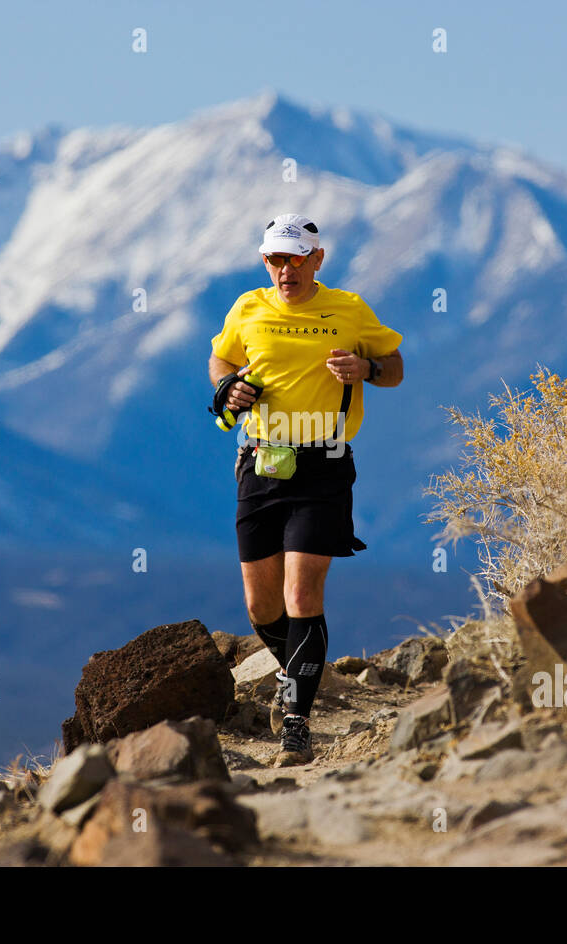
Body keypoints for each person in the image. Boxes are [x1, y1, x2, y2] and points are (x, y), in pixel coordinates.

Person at [208, 213, 404, 767]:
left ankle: (297, 720)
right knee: (261, 604)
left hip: (323, 464)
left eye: (295, 258)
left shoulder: (349, 308)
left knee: (301, 597)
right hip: (260, 463)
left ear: (317, 259)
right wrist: (228, 386)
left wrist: (365, 367)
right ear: (264, 260)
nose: (285, 269)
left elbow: (395, 368)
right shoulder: (248, 307)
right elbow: (221, 356)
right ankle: (296, 675)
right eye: (275, 258)